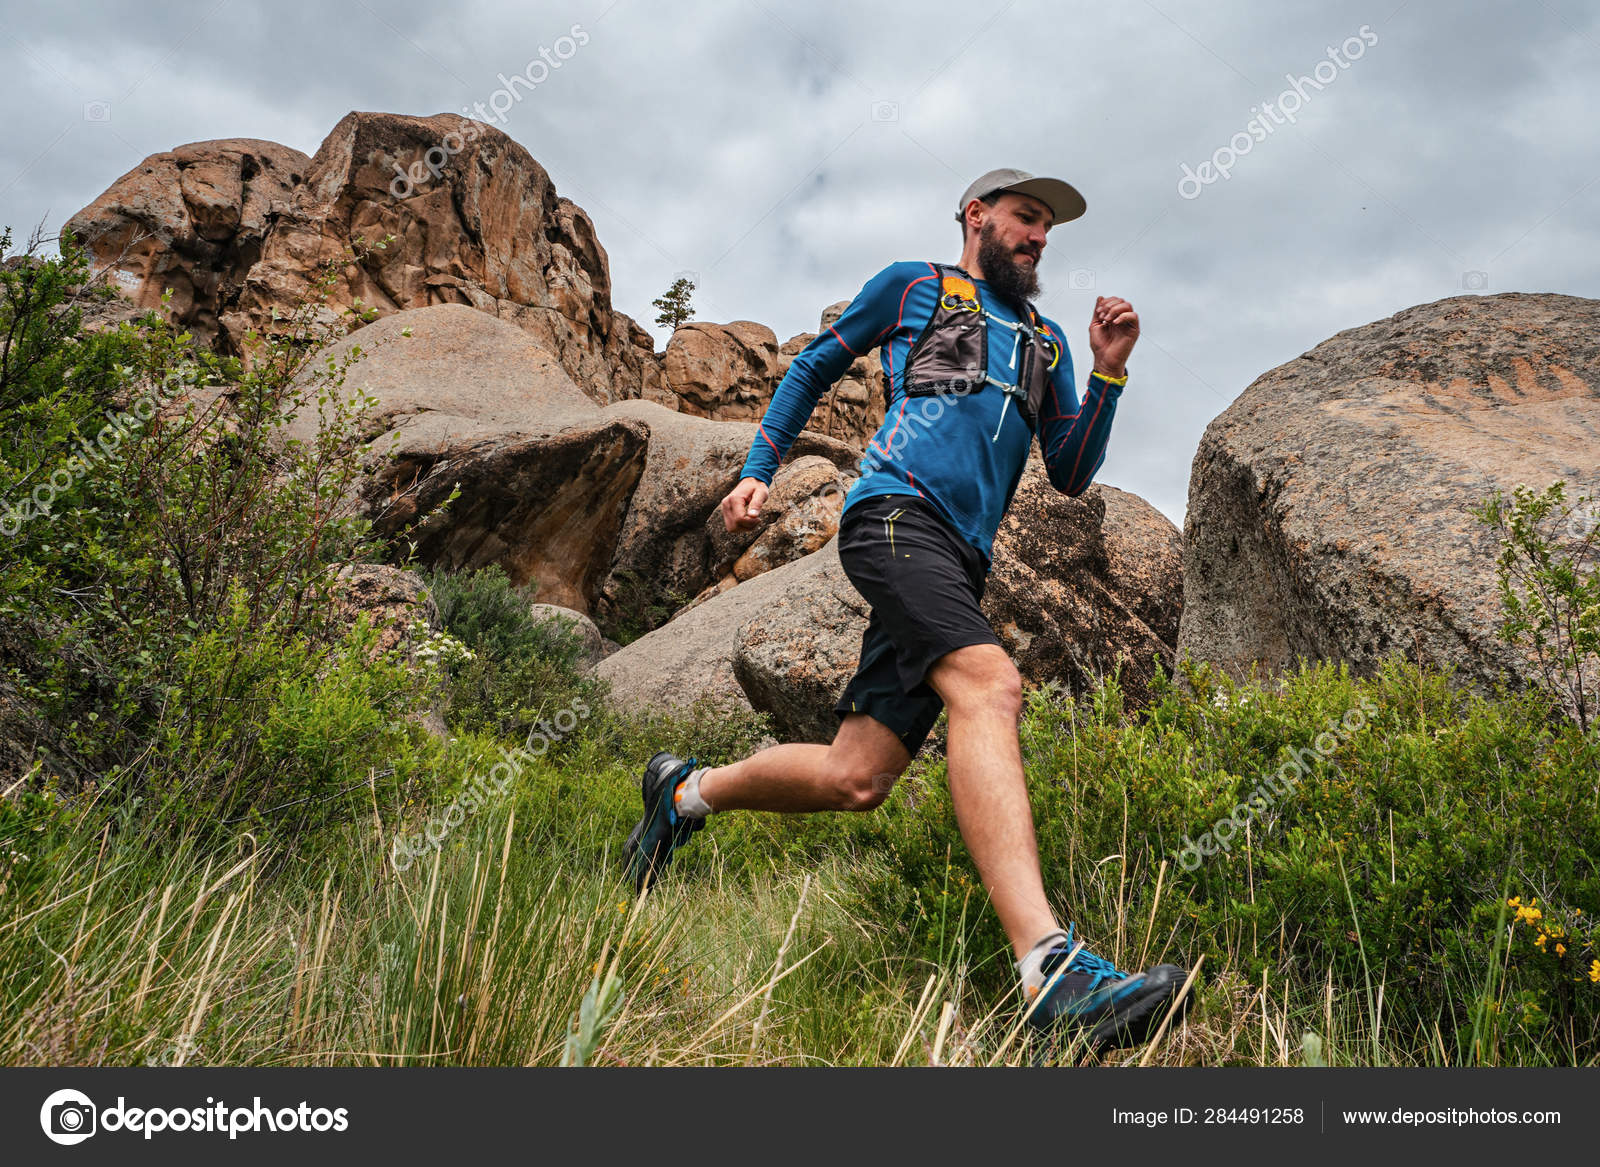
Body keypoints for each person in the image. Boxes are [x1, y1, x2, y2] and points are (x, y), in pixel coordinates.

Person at [623, 168, 1188, 1050]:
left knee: (859, 776)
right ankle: (1051, 972)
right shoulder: (917, 286)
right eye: (1025, 218)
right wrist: (757, 471)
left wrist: (1109, 374)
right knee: (991, 687)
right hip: (895, 511)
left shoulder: (1045, 339)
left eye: (1048, 229)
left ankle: (683, 792)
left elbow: (1071, 471)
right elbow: (816, 363)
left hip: (959, 558)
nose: (1039, 238)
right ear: (978, 216)